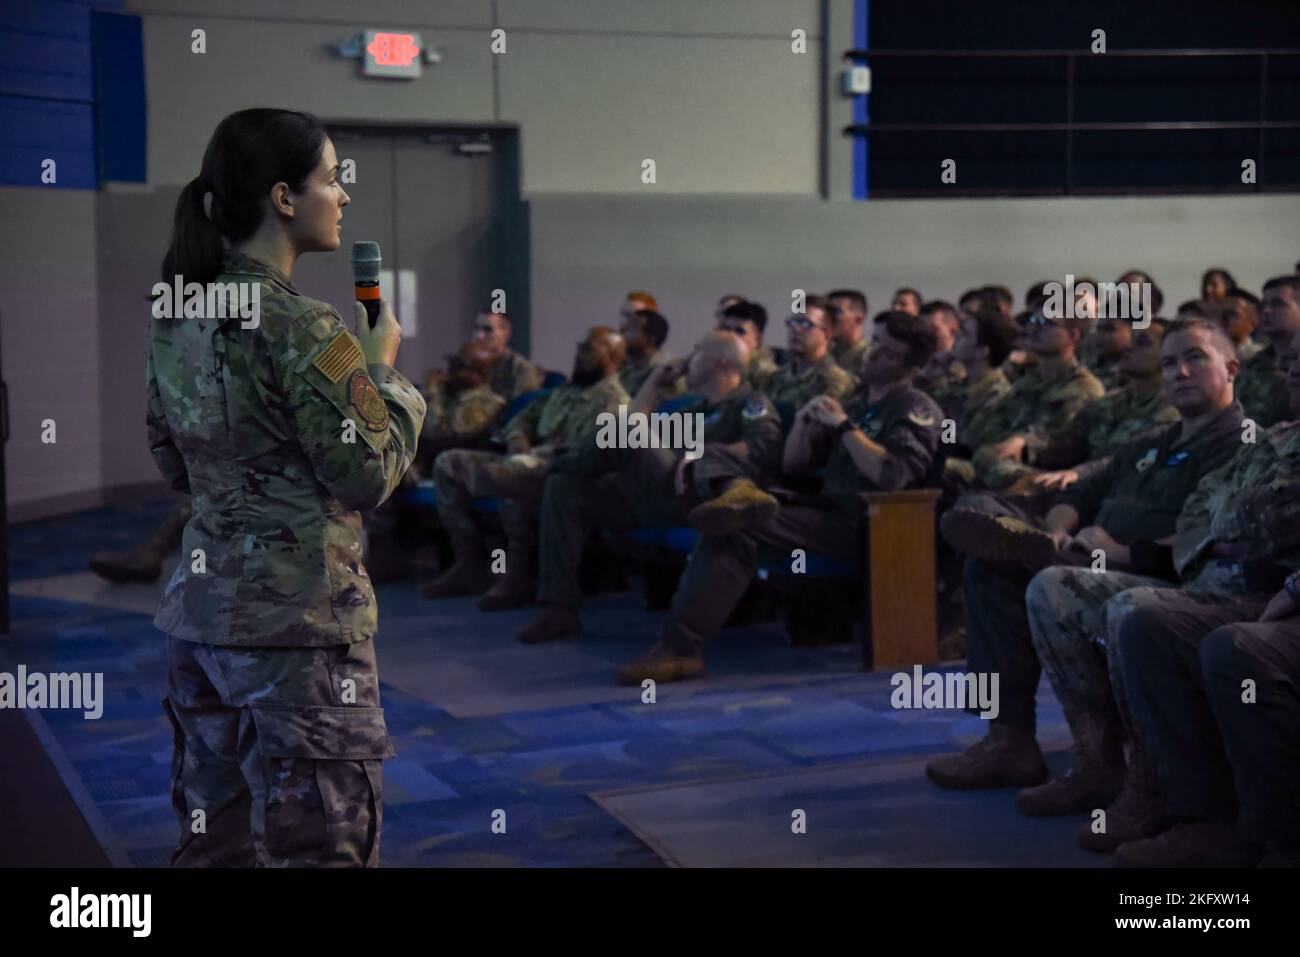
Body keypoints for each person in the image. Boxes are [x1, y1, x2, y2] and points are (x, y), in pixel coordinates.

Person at [148, 109, 425, 867]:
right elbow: (368, 475)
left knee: (214, 844)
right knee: (318, 846)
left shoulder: (179, 313)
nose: (342, 197)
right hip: (298, 635)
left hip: (202, 619)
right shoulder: (307, 328)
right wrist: (381, 374)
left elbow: (173, 461)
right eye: (332, 179)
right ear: (282, 197)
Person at [928, 321, 1244, 811]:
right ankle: (1008, 738)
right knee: (988, 568)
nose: (1178, 372)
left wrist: (1119, 550)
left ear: (1231, 368)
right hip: (1087, 554)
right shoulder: (1153, 442)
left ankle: (1096, 764)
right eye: (1167, 363)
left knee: (1053, 584)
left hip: (1159, 571)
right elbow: (1081, 491)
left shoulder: (1241, 444)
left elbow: (1217, 533)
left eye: (1195, 358)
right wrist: (1059, 525)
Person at [610, 311, 944, 684]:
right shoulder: (855, 400)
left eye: (885, 352)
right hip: (821, 512)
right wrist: (804, 427)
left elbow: (895, 477)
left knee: (739, 522)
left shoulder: (915, 408)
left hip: (868, 526)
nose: (871, 354)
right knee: (729, 509)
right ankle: (680, 646)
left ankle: (680, 647)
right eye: (875, 343)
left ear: (911, 366)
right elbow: (794, 466)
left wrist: (845, 428)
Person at [517, 331, 784, 652]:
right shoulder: (692, 410)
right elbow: (632, 431)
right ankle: (558, 608)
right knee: (564, 489)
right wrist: (653, 385)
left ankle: (542, 470)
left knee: (624, 433)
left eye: (697, 351)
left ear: (720, 363)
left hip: (699, 500)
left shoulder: (751, 403)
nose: (686, 360)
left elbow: (763, 448)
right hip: (656, 494)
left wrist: (703, 452)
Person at [424, 327, 628, 610]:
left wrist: (534, 457)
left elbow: (588, 454)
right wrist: (518, 438)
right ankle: (469, 563)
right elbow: (523, 419)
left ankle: (516, 574)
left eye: (589, 349)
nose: (578, 353)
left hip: (562, 471)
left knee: (513, 478)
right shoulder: (566, 390)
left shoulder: (615, 402)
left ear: (613, 358)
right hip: (527, 459)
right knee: (449, 463)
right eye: (579, 346)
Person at [948, 309, 1104, 490]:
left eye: (1046, 324)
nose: (1034, 329)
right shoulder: (1026, 383)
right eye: (1033, 321)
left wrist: (1019, 442)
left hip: (1041, 471)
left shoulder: (1082, 387)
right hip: (994, 460)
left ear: (1073, 335)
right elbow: (988, 427)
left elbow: (1061, 442)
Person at [760, 295, 854, 411]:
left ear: (827, 334)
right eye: (793, 322)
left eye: (806, 324)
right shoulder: (773, 379)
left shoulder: (837, 382)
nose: (796, 329)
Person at [1236, 275, 1300, 428]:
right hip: (1249, 446)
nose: (1266, 311)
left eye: (1278, 304)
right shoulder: (1250, 365)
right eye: (1263, 305)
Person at [472, 310, 544, 401]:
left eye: (488, 330)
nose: (479, 336)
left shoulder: (523, 370)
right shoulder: (471, 367)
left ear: (506, 334)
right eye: (476, 328)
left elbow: (522, 411)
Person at [617, 306, 678, 396]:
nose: (622, 331)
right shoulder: (624, 365)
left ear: (650, 339)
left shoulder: (665, 371)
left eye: (632, 328)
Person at [717, 300, 779, 387]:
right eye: (726, 329)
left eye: (740, 331)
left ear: (757, 341)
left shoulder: (766, 377)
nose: (730, 337)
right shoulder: (715, 362)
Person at [828, 288, 870, 376]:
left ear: (858, 319)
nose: (829, 318)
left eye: (836, 312)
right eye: (827, 313)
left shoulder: (870, 357)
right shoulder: (823, 355)